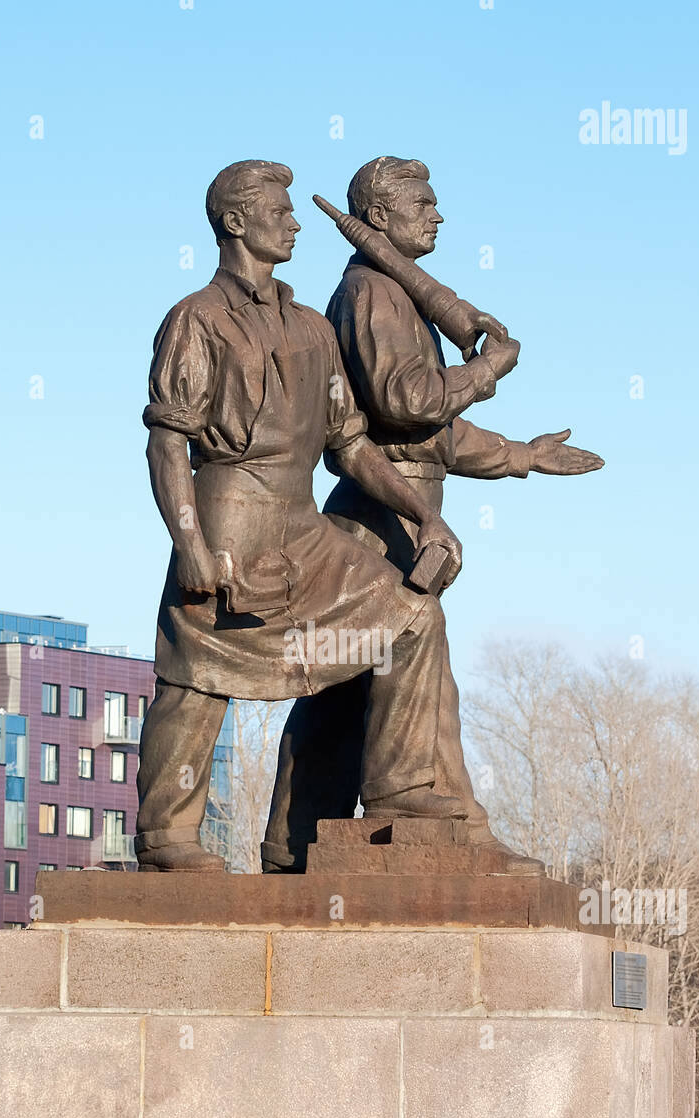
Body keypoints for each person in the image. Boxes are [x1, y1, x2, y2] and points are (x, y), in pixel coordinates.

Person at [262, 156, 604, 873]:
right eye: (424, 203)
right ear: (379, 216)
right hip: (376, 515)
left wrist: (523, 455)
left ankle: (297, 848)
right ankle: (410, 798)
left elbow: (432, 435)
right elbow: (406, 401)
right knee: (406, 649)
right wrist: (487, 371)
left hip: (404, 509)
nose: (438, 215)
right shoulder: (369, 293)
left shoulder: (396, 295)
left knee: (351, 680)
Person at [136, 159, 466, 871]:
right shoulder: (196, 318)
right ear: (234, 222)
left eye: (291, 209)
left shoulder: (314, 328)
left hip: (302, 527)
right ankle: (166, 838)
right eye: (277, 209)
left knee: (412, 620)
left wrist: (423, 517)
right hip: (226, 518)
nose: (292, 221)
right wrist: (189, 542)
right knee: (198, 677)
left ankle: (402, 791)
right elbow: (167, 441)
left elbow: (351, 444)